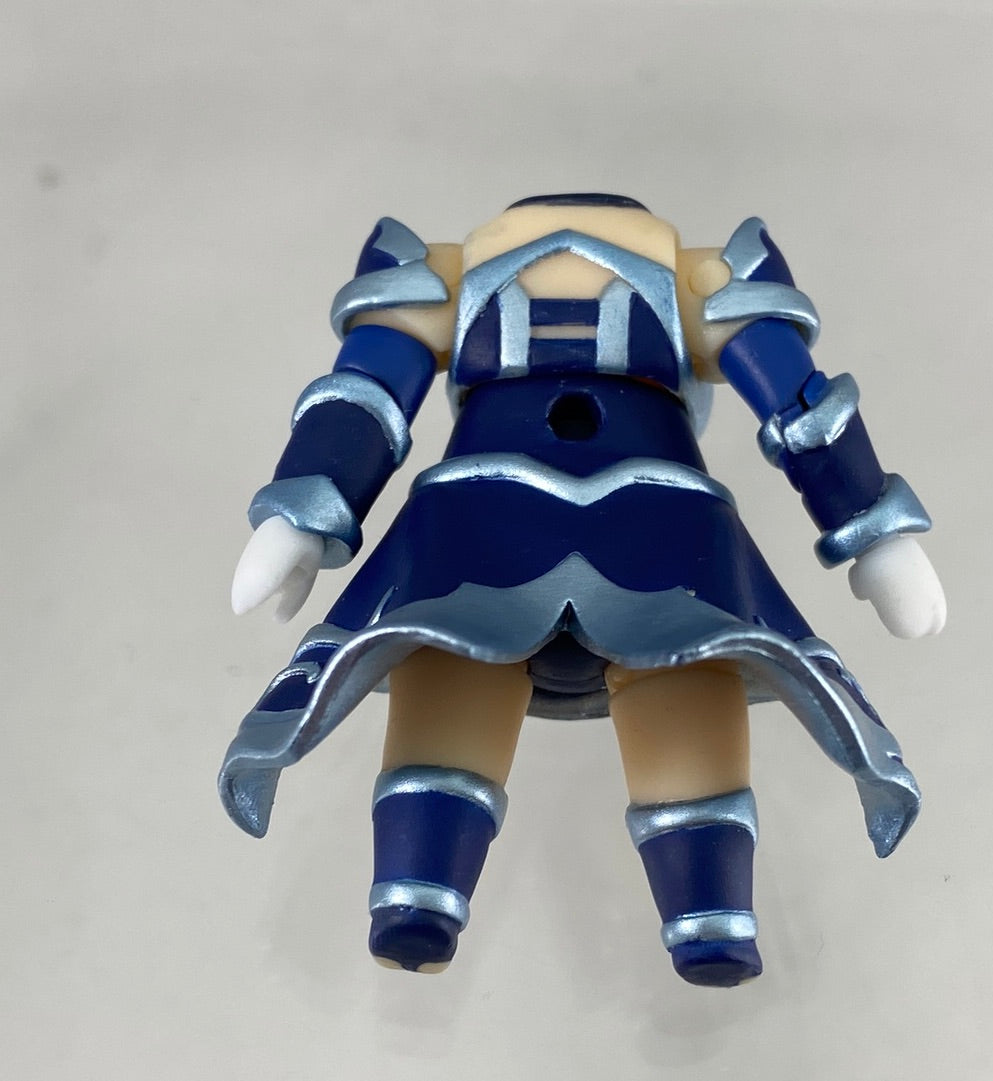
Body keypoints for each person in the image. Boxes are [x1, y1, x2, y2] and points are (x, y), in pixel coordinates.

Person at [219, 194, 945, 986]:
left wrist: (873, 528)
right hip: (487, 509)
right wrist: (306, 507)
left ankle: (709, 912)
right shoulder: (448, 277)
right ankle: (417, 891)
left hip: (655, 511)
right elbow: (365, 396)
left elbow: (800, 404)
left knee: (684, 662)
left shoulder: (699, 279)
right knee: (454, 652)